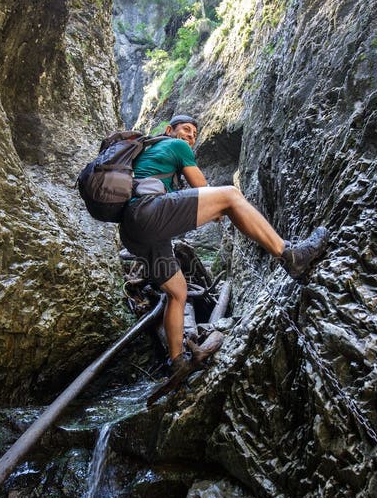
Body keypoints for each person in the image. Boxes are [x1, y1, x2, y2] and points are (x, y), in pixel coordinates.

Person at [119, 114, 329, 374]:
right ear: (169, 130)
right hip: (149, 212)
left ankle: (177, 362)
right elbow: (202, 187)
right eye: (185, 130)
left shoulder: (147, 156)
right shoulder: (176, 146)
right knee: (230, 194)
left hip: (134, 230)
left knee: (177, 292)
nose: (190, 137)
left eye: (194, 134)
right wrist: (218, 209)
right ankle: (289, 255)